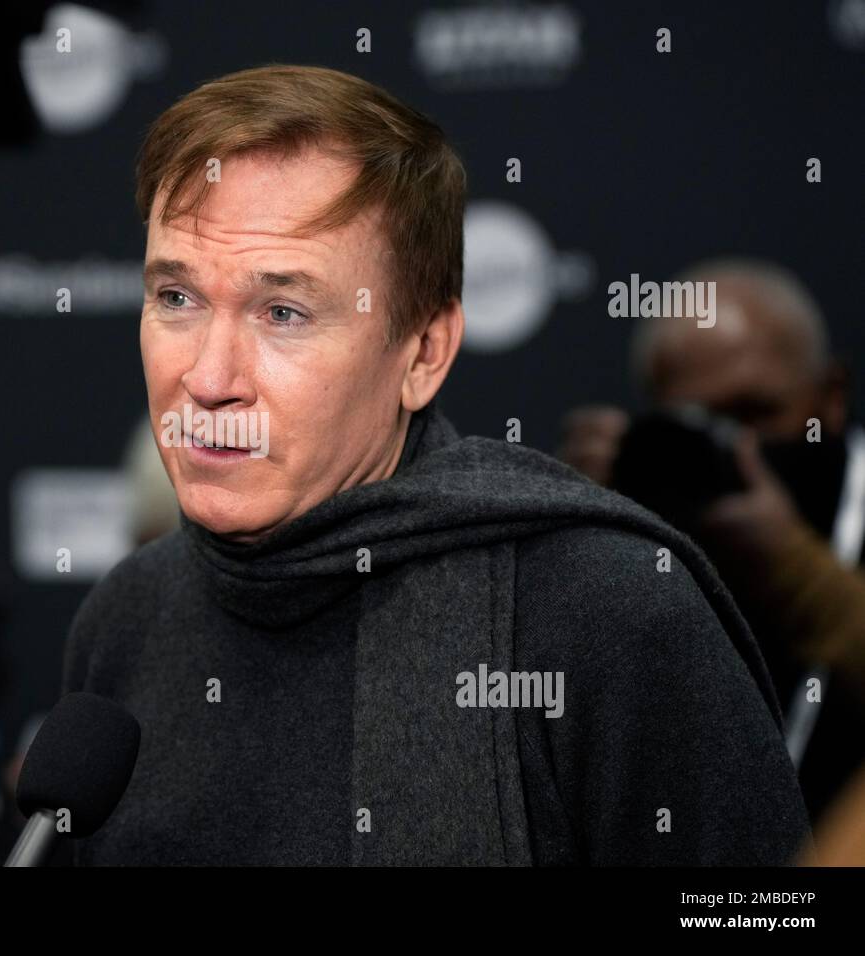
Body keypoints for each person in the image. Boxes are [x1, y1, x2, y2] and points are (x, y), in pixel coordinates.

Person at [62, 64, 808, 865]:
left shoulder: (609, 615)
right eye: (177, 298)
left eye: (283, 312)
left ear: (424, 351)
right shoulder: (125, 620)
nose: (208, 379)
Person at [562, 259, 865, 829]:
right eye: (698, 422)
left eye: (755, 413)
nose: (733, 447)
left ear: (831, 396)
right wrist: (580, 540)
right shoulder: (646, 532)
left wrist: (793, 567)